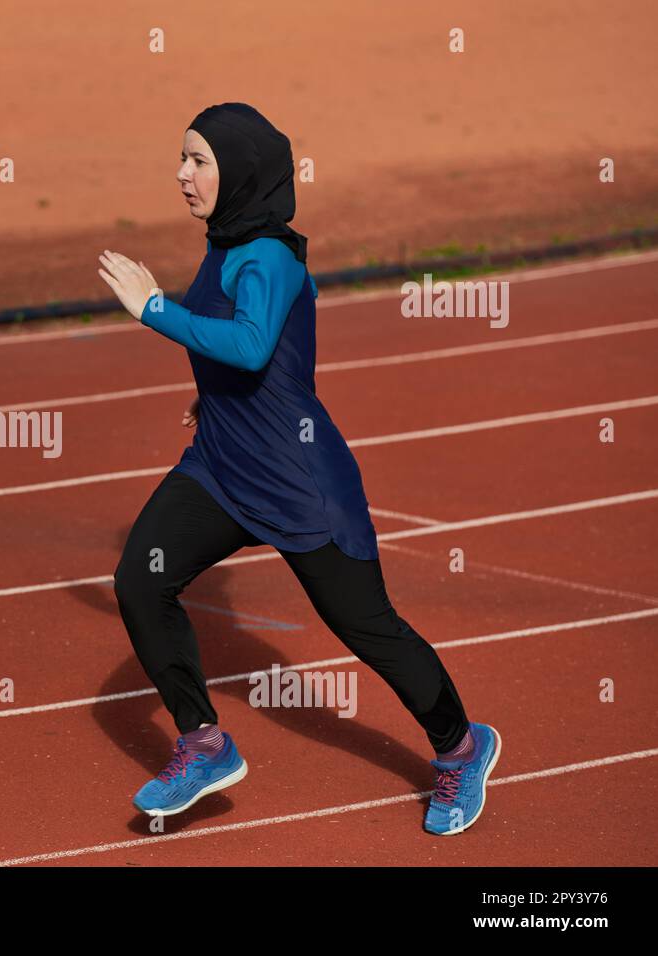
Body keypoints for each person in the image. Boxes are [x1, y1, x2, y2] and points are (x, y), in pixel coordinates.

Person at [96, 102, 500, 835]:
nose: (181, 174)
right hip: (222, 467)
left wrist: (152, 306)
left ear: (241, 172)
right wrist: (210, 395)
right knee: (140, 580)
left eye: (198, 161)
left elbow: (251, 345)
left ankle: (462, 748)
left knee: (368, 628)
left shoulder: (270, 256)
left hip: (298, 481)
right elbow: (256, 355)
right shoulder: (226, 242)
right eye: (182, 159)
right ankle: (204, 742)